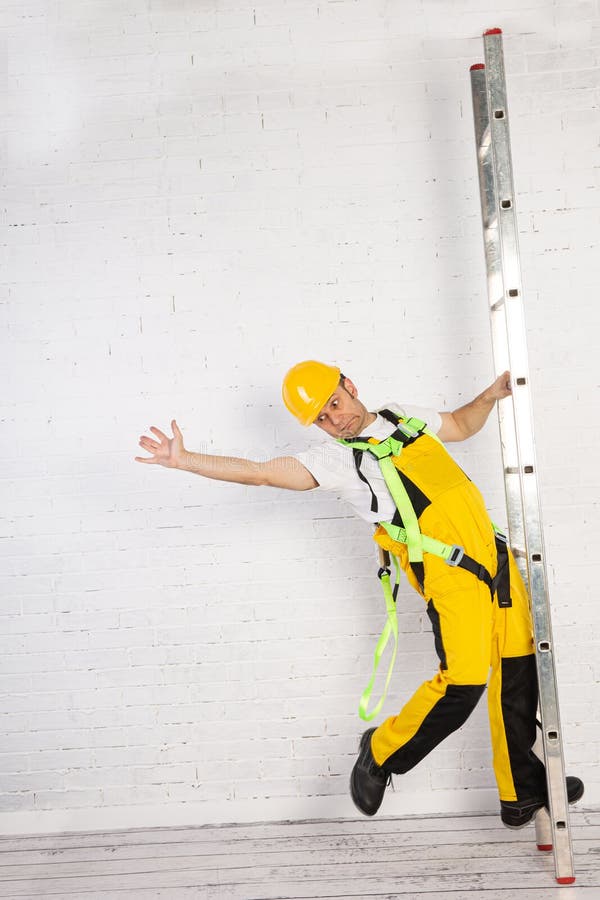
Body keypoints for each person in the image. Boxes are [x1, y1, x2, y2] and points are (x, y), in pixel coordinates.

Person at [135, 360, 583, 827]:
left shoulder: (402, 417)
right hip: (450, 574)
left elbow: (460, 424)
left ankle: (522, 790)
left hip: (497, 559)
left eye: (334, 403)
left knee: (518, 672)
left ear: (349, 385)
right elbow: (261, 473)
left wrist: (489, 397)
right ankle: (380, 750)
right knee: (465, 682)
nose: (335, 419)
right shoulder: (339, 462)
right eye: (322, 419)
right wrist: (185, 460)